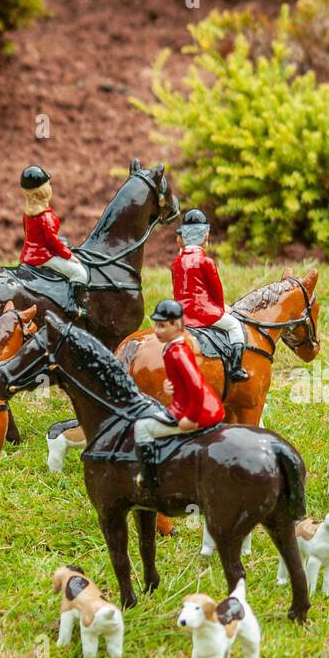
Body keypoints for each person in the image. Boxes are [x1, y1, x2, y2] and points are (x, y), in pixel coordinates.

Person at [134, 300, 225, 488]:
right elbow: (186, 380)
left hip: (197, 412)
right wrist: (172, 386)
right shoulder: (174, 347)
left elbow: (197, 386)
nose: (156, 330)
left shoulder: (178, 352)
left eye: (161, 326)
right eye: (156, 325)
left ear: (175, 325)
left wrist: (191, 419)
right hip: (185, 405)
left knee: (142, 427)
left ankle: (150, 477)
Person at [170, 209, 249, 382]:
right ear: (205, 237)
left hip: (182, 314)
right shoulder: (206, 261)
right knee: (235, 326)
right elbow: (216, 290)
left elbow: (176, 289)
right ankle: (236, 368)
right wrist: (221, 309)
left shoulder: (176, 262)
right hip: (203, 312)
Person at [19, 165, 90, 317]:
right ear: (44, 190)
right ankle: (72, 306)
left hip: (29, 254)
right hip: (43, 257)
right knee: (79, 273)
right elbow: (53, 242)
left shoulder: (28, 213)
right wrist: (69, 256)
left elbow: (30, 234)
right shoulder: (45, 216)